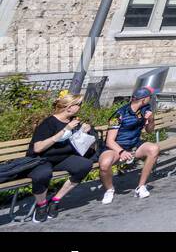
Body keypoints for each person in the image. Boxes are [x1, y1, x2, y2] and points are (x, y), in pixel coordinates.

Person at [26, 94, 98, 222]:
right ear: (68, 107)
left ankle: (55, 200)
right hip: (42, 158)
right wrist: (64, 130)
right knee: (42, 174)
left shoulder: (74, 120)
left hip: (62, 158)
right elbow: (37, 148)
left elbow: (74, 140)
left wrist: (83, 131)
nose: (80, 107)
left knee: (84, 165)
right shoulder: (49, 123)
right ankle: (41, 205)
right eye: (78, 104)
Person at [98, 87, 160, 204]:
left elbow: (149, 131)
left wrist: (151, 120)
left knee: (154, 148)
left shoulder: (145, 109)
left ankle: (141, 187)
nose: (150, 99)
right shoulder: (119, 115)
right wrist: (122, 152)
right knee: (104, 164)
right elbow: (109, 141)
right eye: (149, 97)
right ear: (143, 99)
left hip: (134, 145)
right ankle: (109, 190)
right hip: (115, 148)